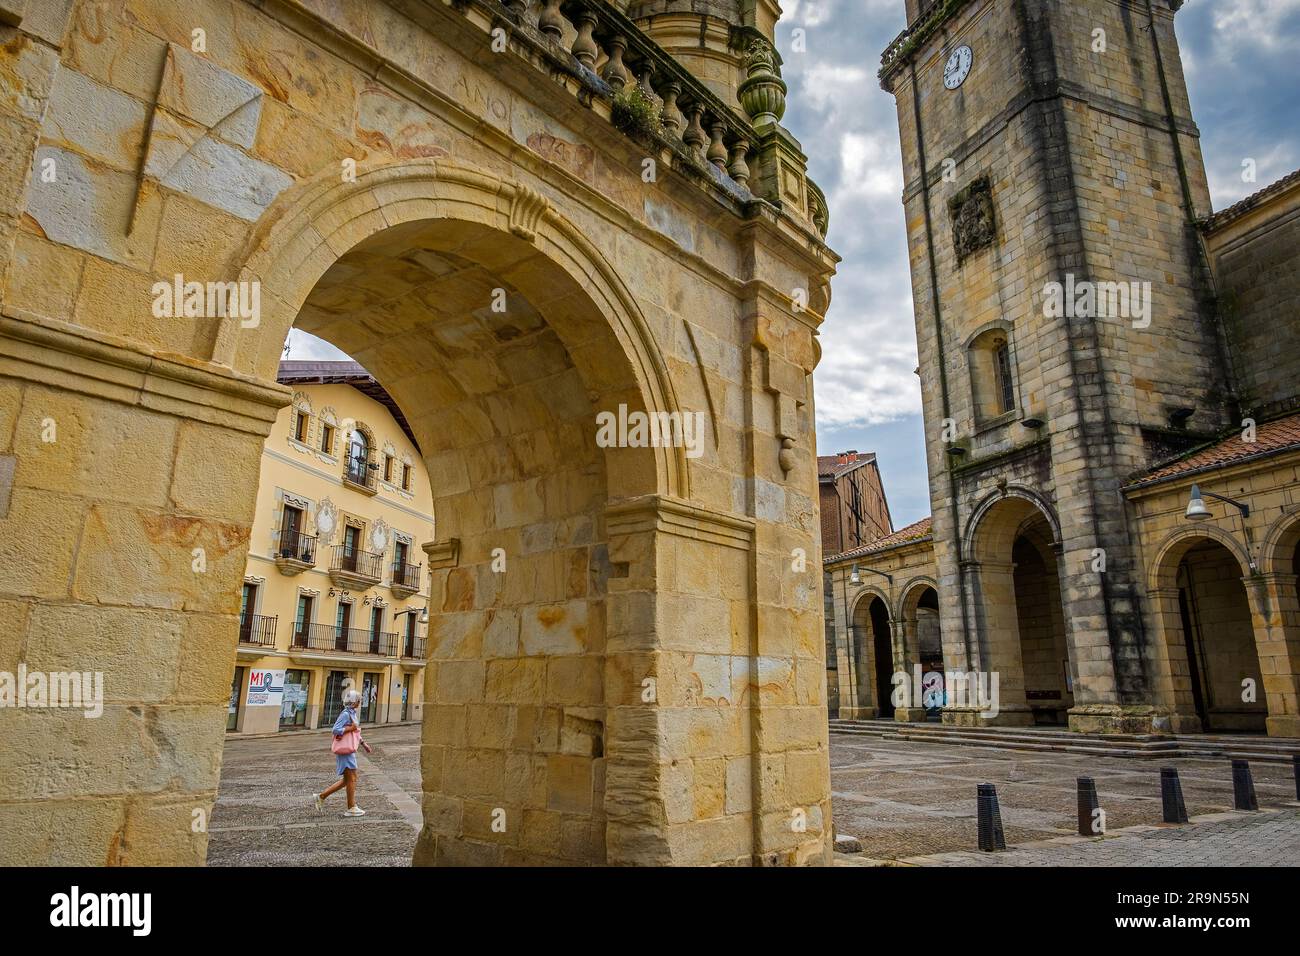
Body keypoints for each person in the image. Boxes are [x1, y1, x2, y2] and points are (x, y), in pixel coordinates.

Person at [312, 687, 372, 816]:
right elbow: (335, 729)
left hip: (349, 749)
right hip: (345, 750)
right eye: (358, 700)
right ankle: (351, 807)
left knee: (348, 779)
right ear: (353, 702)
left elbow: (355, 731)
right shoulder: (345, 714)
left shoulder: (352, 713)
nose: (360, 702)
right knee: (352, 778)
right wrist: (350, 728)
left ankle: (321, 796)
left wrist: (363, 743)